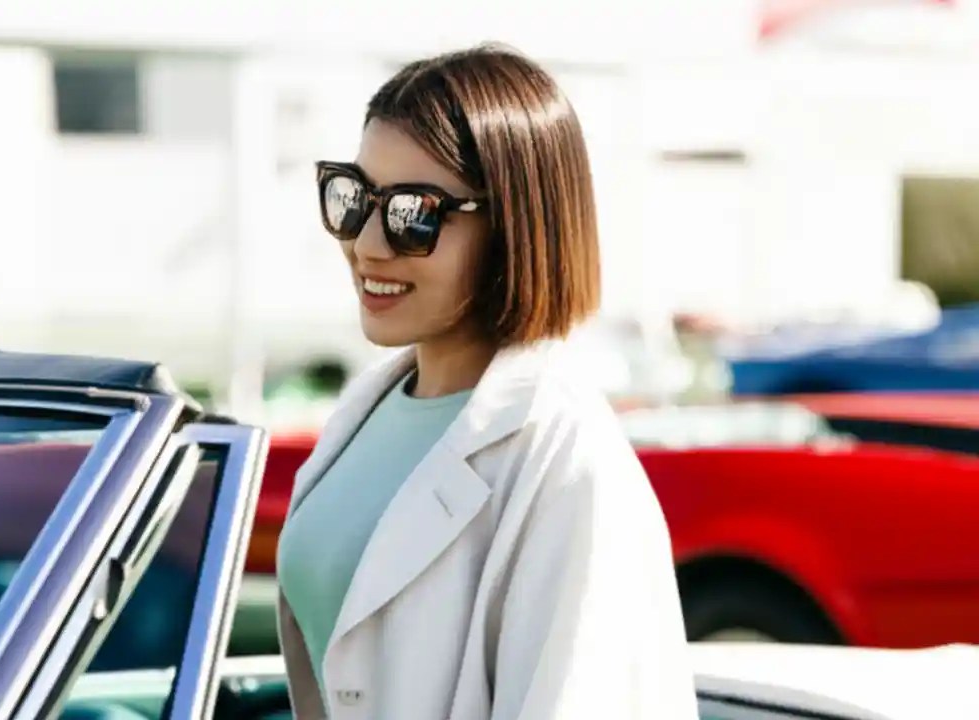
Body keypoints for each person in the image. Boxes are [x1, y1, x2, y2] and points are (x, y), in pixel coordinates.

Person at [274, 45, 698, 719]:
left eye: (415, 213)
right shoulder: (368, 410)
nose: (369, 244)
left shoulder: (566, 460)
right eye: (356, 199)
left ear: (516, 227)